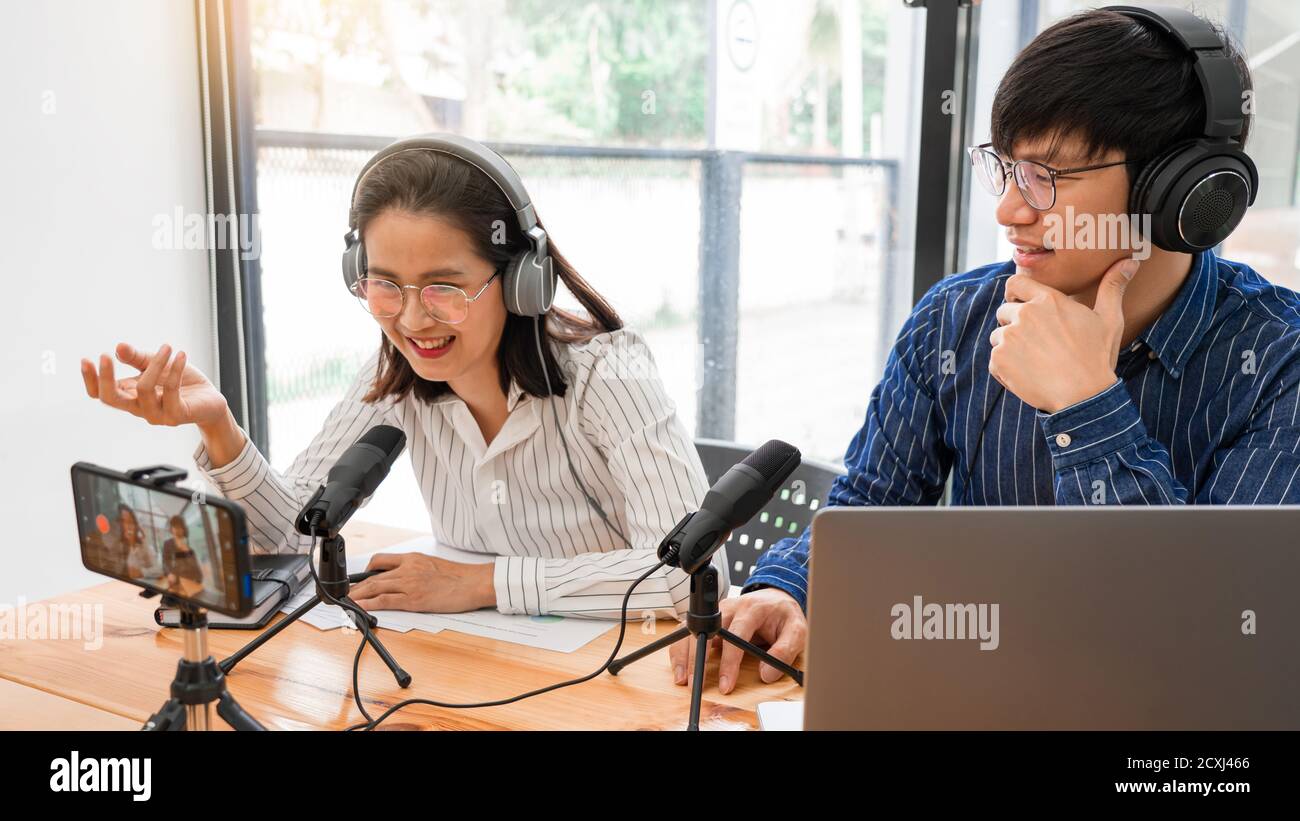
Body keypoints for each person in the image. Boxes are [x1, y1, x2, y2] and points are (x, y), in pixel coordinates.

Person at [670, 6, 1300, 695]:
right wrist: (791, 589)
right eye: (1006, 169)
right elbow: (872, 506)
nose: (1008, 211)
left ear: (1180, 191)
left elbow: (1202, 644)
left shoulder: (1278, 360)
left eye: (1047, 178)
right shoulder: (955, 320)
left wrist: (1088, 406)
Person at [80, 134, 726, 650]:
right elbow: (292, 534)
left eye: (445, 286)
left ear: (523, 280)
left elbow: (691, 574)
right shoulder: (394, 374)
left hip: (624, 677)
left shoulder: (608, 374)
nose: (413, 320)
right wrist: (219, 426)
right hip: (479, 664)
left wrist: (479, 583)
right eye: (385, 285)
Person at [161, 515, 204, 593]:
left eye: (180, 527)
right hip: (173, 585)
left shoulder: (190, 550)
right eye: (175, 527)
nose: (177, 530)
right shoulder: (167, 544)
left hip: (188, 586)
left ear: (184, 530)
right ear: (171, 529)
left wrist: (186, 552)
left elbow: (199, 576)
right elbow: (165, 562)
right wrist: (169, 573)